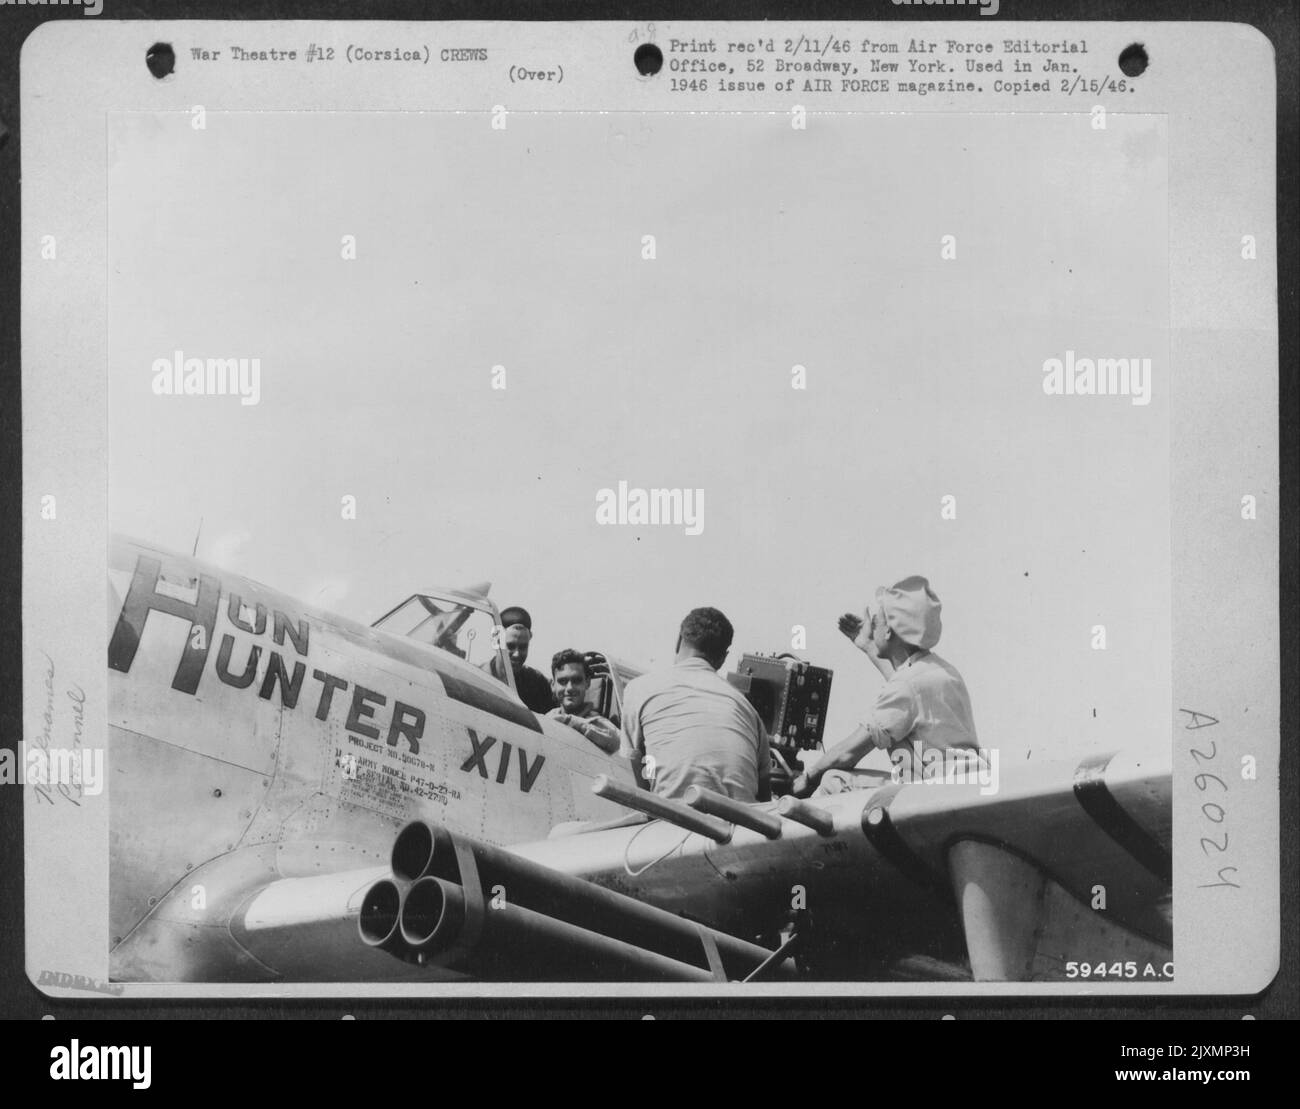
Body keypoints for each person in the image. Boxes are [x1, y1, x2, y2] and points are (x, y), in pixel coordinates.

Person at [793, 575, 979, 797]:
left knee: (833, 780)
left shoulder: (908, 685)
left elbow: (847, 754)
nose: (872, 626)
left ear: (889, 630)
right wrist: (868, 645)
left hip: (934, 796)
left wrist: (807, 779)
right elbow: (906, 688)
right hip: (964, 791)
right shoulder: (941, 672)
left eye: (876, 621)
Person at [618, 607, 771, 803]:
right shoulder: (749, 712)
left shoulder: (639, 689)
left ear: (678, 641)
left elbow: (638, 774)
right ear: (723, 658)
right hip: (743, 829)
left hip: (675, 822)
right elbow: (765, 798)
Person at [483, 605, 556, 714]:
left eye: (523, 647)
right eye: (510, 646)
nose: (517, 654)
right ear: (497, 642)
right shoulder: (478, 677)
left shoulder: (537, 683)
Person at [546, 649, 620, 754]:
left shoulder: (601, 724)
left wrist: (573, 722)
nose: (570, 688)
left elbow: (621, 745)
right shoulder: (548, 718)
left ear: (587, 683)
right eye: (563, 681)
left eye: (576, 681)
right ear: (553, 685)